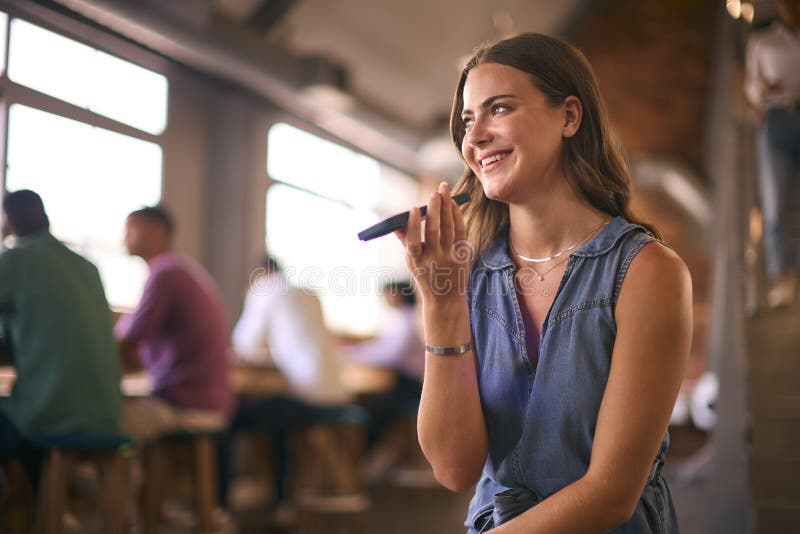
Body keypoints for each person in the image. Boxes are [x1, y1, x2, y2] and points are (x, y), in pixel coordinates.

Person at [394, 34, 692, 533]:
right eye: (468, 121)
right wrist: (441, 306)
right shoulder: (470, 273)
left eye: (499, 109)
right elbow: (454, 468)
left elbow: (610, 495)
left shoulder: (648, 272)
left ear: (569, 117)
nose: (475, 137)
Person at [0, 190, 121, 488]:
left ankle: (35, 512)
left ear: (8, 222)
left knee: (16, 425)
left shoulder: (15, 260)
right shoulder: (88, 268)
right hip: (107, 414)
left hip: (50, 416)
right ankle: (50, 510)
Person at [115, 206, 234, 441]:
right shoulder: (181, 269)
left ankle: (101, 478)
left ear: (157, 231)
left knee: (106, 422)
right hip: (208, 402)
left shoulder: (166, 273)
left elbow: (127, 339)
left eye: (131, 227)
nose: (124, 236)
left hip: (188, 405)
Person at [744, 0, 800, 308]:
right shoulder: (762, 40)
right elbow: (751, 87)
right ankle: (782, 278)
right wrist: (762, 90)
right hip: (777, 118)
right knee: (776, 200)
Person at [341, 280, 424, 446]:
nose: (385, 298)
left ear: (399, 294)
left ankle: (376, 457)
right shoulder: (401, 319)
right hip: (402, 380)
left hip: (412, 383)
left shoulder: (409, 320)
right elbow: (382, 347)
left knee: (375, 410)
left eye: (389, 293)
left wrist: (352, 353)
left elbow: (390, 354)